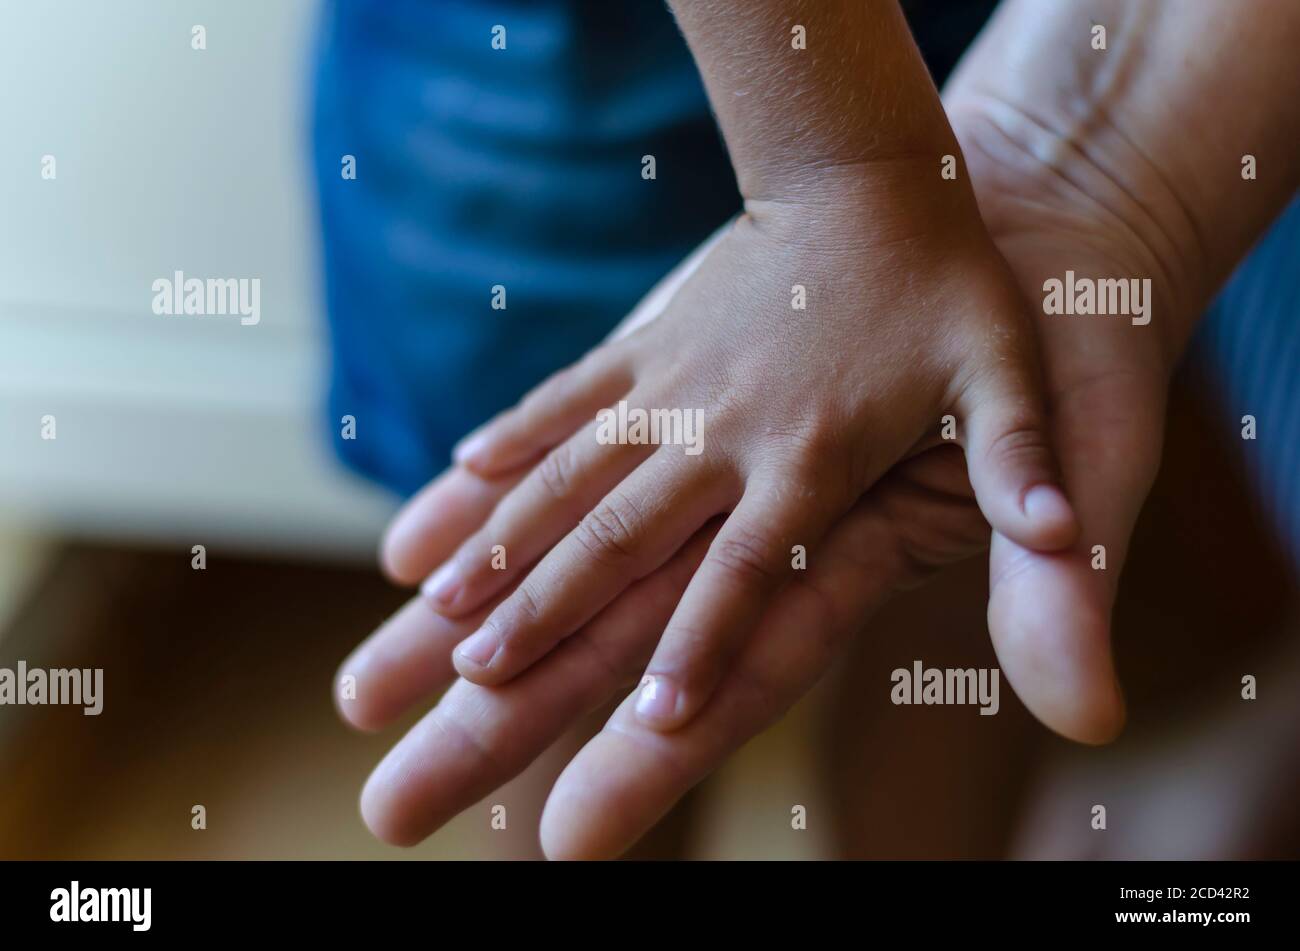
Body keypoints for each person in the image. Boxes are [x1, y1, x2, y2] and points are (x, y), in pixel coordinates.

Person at [323, 0, 1300, 857]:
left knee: (936, 529)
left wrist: (913, 185)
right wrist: (849, 176)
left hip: (983, 24)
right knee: (588, 607)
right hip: (553, 70)